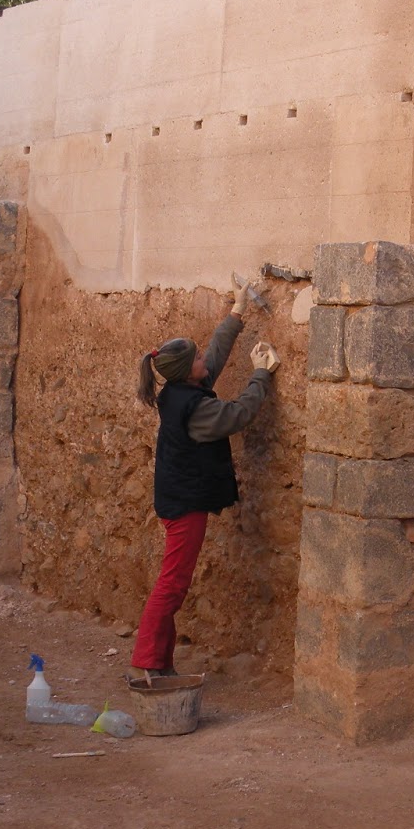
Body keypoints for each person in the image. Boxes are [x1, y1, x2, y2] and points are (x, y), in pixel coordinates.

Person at [131, 286, 281, 678]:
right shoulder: (195, 408)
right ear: (187, 371)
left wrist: (236, 313)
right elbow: (238, 414)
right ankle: (149, 661)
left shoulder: (180, 389)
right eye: (196, 357)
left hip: (178, 497)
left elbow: (214, 355)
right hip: (184, 504)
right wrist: (261, 374)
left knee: (174, 583)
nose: (204, 359)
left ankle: (159, 664)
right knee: (173, 585)